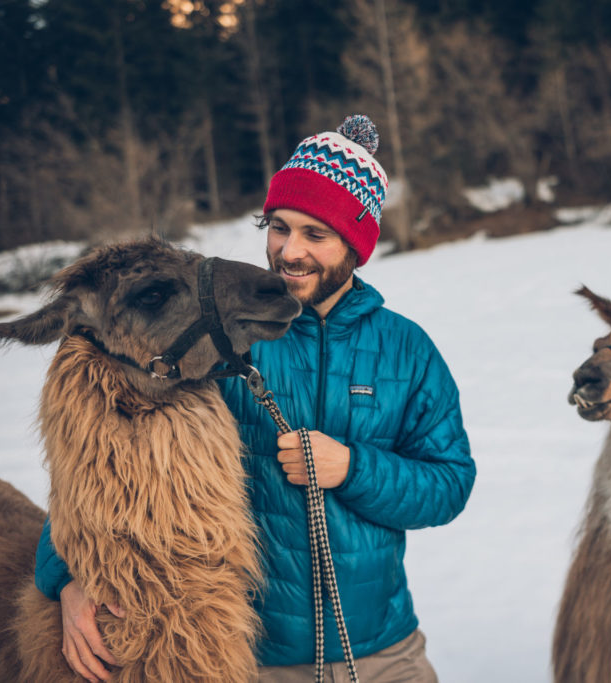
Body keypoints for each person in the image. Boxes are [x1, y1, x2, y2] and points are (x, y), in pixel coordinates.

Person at [33, 115, 476, 682]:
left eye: (315, 235)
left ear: (356, 244)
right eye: (278, 227)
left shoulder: (406, 350)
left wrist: (353, 468)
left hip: (388, 654)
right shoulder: (215, 340)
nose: (289, 252)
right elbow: (104, 462)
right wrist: (67, 575)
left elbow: (449, 483)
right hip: (248, 658)